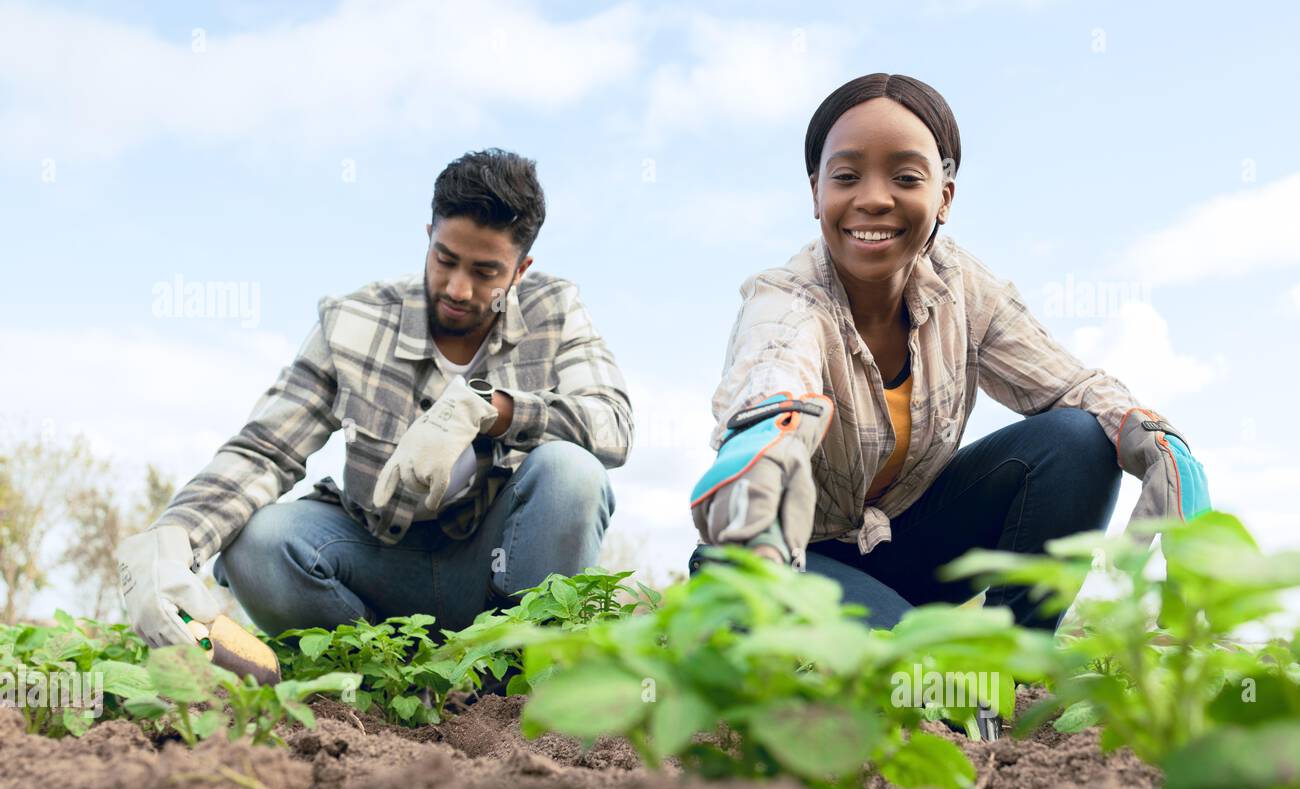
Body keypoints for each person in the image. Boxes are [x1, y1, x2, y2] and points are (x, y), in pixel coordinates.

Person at [689, 73, 1210, 636]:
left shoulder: (961, 286)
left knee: (1078, 439)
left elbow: (1069, 388)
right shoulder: (786, 299)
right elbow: (772, 381)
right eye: (846, 176)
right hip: (782, 559)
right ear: (816, 192)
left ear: (944, 197)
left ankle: (1013, 661)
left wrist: (1157, 442)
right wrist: (763, 462)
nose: (872, 198)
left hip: (901, 548)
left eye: (906, 176)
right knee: (919, 672)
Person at [117, 149, 633, 648]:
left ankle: (515, 679)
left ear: (520, 270)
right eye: (445, 259)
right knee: (259, 543)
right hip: (378, 561)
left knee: (572, 471)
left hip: (494, 571)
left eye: (485, 272)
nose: (457, 288)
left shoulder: (555, 310)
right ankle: (388, 669)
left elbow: (611, 424)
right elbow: (266, 449)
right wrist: (176, 537)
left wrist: (491, 410)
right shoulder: (354, 322)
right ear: (428, 237)